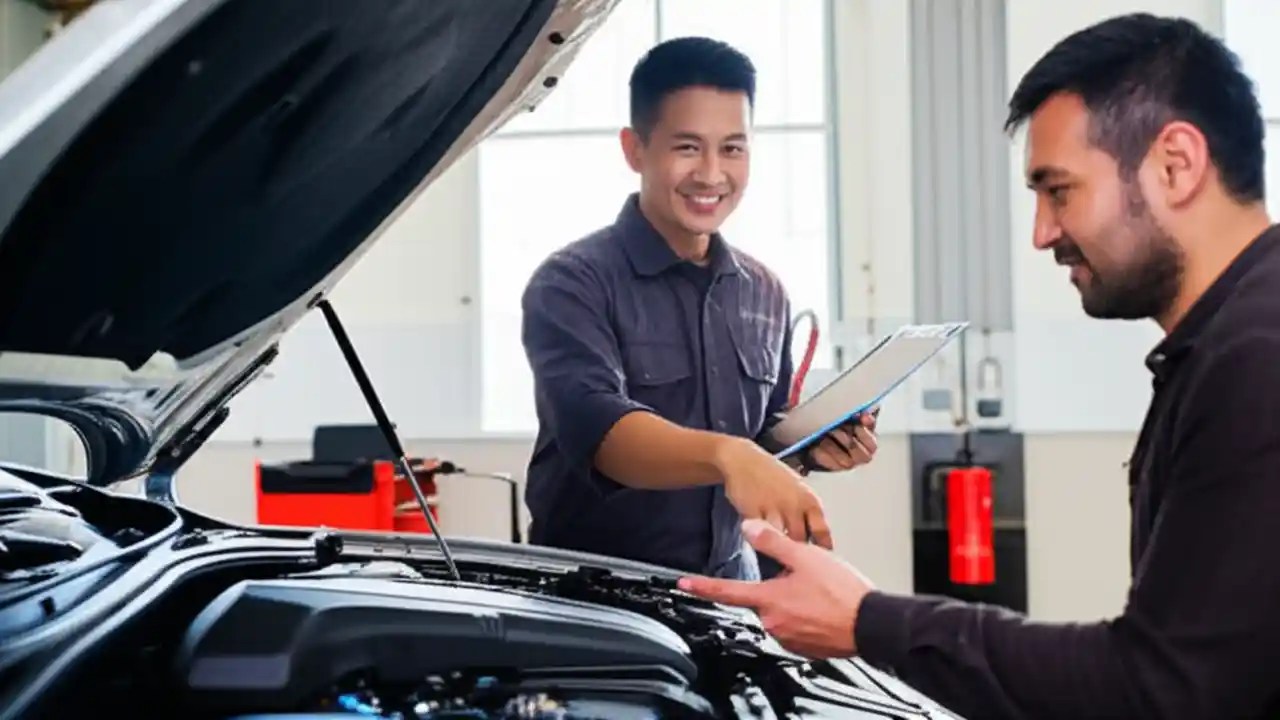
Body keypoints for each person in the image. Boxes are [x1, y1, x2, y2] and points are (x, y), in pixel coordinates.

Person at [678, 12, 1280, 720]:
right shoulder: (1224, 343)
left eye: (1059, 190)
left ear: (1175, 165)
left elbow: (1162, 684)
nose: (1041, 233)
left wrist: (869, 620)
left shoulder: (1256, 362)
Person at [519, 36, 879, 581]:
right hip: (595, 602)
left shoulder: (765, 292)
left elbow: (762, 440)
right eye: (688, 147)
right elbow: (600, 433)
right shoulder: (572, 284)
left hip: (729, 591)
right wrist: (730, 455)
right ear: (634, 149)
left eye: (732, 148)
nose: (712, 174)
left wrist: (810, 448)